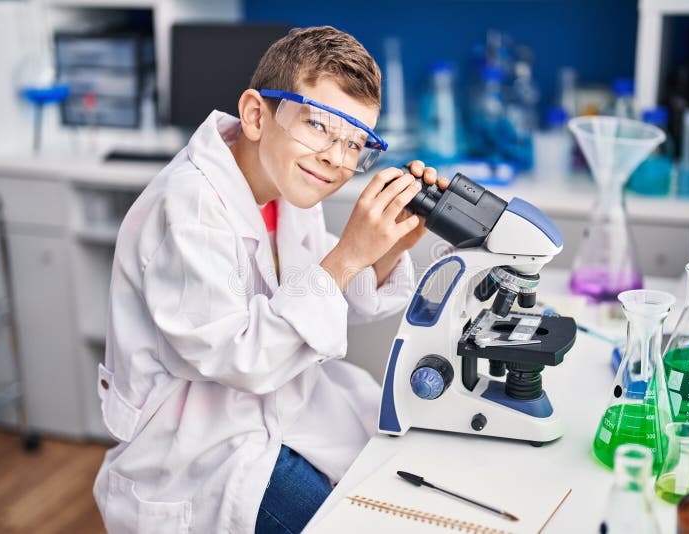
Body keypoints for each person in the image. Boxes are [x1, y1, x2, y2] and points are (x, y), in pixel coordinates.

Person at [92, 25, 448, 533]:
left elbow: (334, 294)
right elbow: (242, 357)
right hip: (200, 445)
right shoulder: (189, 208)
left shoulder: (286, 185)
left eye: (354, 143)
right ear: (258, 114)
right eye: (319, 125)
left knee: (395, 478)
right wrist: (349, 254)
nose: (336, 159)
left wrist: (385, 251)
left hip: (282, 408)